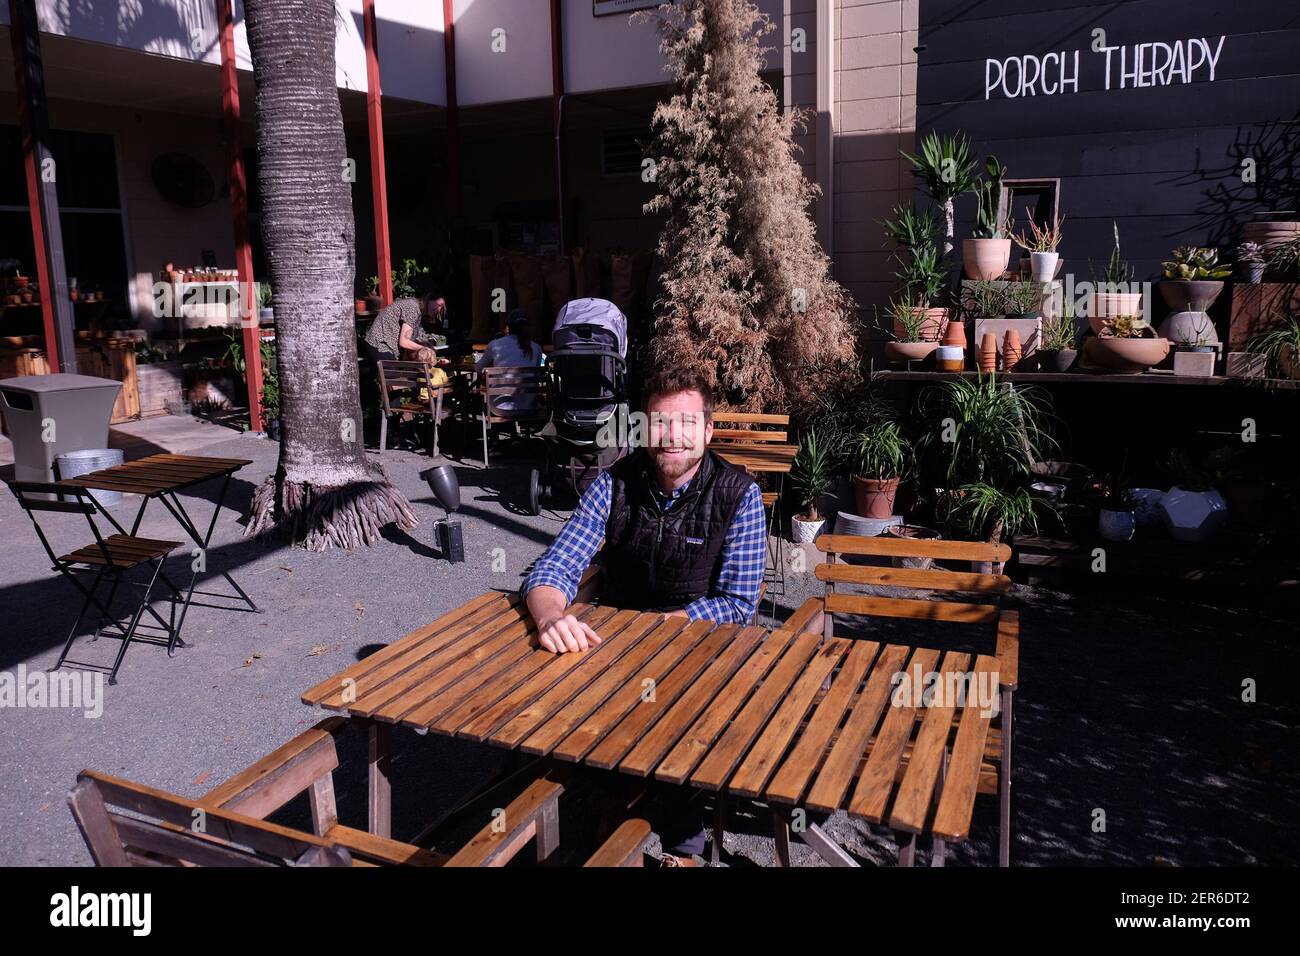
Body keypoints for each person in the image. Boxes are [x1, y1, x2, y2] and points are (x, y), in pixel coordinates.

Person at [522, 365, 766, 865]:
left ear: (708, 430)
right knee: (549, 698)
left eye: (686, 423)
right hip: (616, 649)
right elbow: (556, 565)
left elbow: (739, 606)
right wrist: (549, 617)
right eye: (660, 423)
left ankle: (681, 845)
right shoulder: (613, 484)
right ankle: (621, 797)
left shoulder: (739, 494)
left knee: (682, 720)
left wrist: (656, 630)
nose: (672, 437)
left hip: (701, 648)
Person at [362, 288, 457, 365]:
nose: (438, 309)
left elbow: (408, 338)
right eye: (437, 305)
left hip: (384, 347)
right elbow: (404, 342)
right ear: (428, 299)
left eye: (441, 307)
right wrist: (426, 349)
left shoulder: (416, 309)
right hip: (379, 346)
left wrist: (423, 344)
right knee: (398, 376)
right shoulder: (413, 308)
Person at [477, 309, 545, 414]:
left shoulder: (495, 345)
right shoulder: (536, 348)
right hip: (529, 406)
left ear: (508, 327)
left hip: (499, 407)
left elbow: (478, 368)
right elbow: (536, 373)